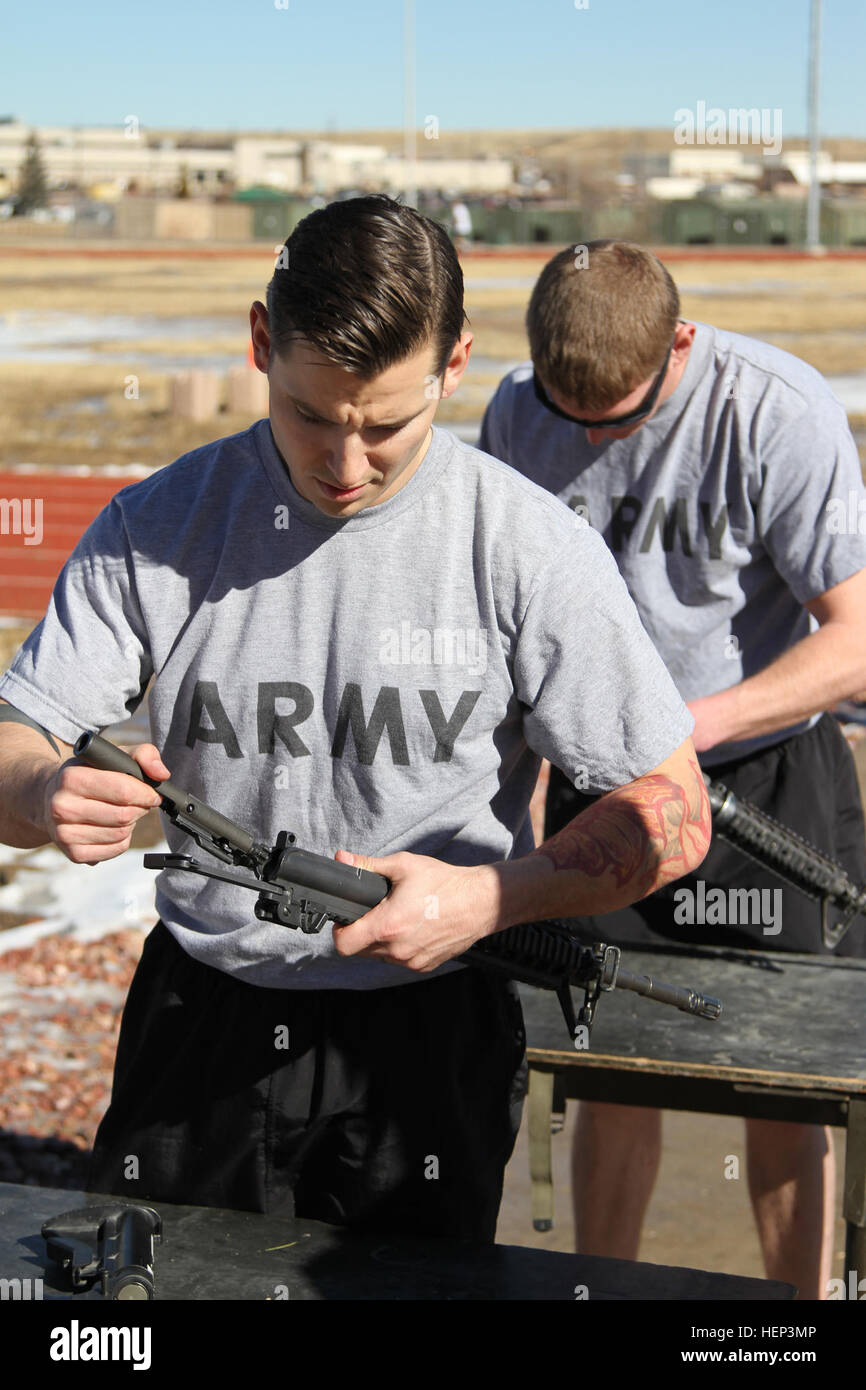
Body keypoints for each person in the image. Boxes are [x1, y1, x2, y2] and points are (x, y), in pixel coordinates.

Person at [0, 202, 709, 1242]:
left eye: (384, 425)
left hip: (430, 1030)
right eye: (307, 413)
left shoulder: (526, 547)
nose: (344, 462)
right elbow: (16, 738)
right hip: (204, 1015)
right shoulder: (155, 525)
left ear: (455, 365)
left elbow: (673, 809)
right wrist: (43, 790)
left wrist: (492, 897)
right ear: (258, 344)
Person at [478, 238, 866, 1297]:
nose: (587, 437)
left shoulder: (776, 411)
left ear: (679, 345)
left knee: (779, 1085)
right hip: (606, 788)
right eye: (570, 417)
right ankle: (600, 1292)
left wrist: (695, 721)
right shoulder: (516, 413)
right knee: (613, 1065)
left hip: (764, 779)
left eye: (616, 417)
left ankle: (801, 1311)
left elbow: (854, 633)